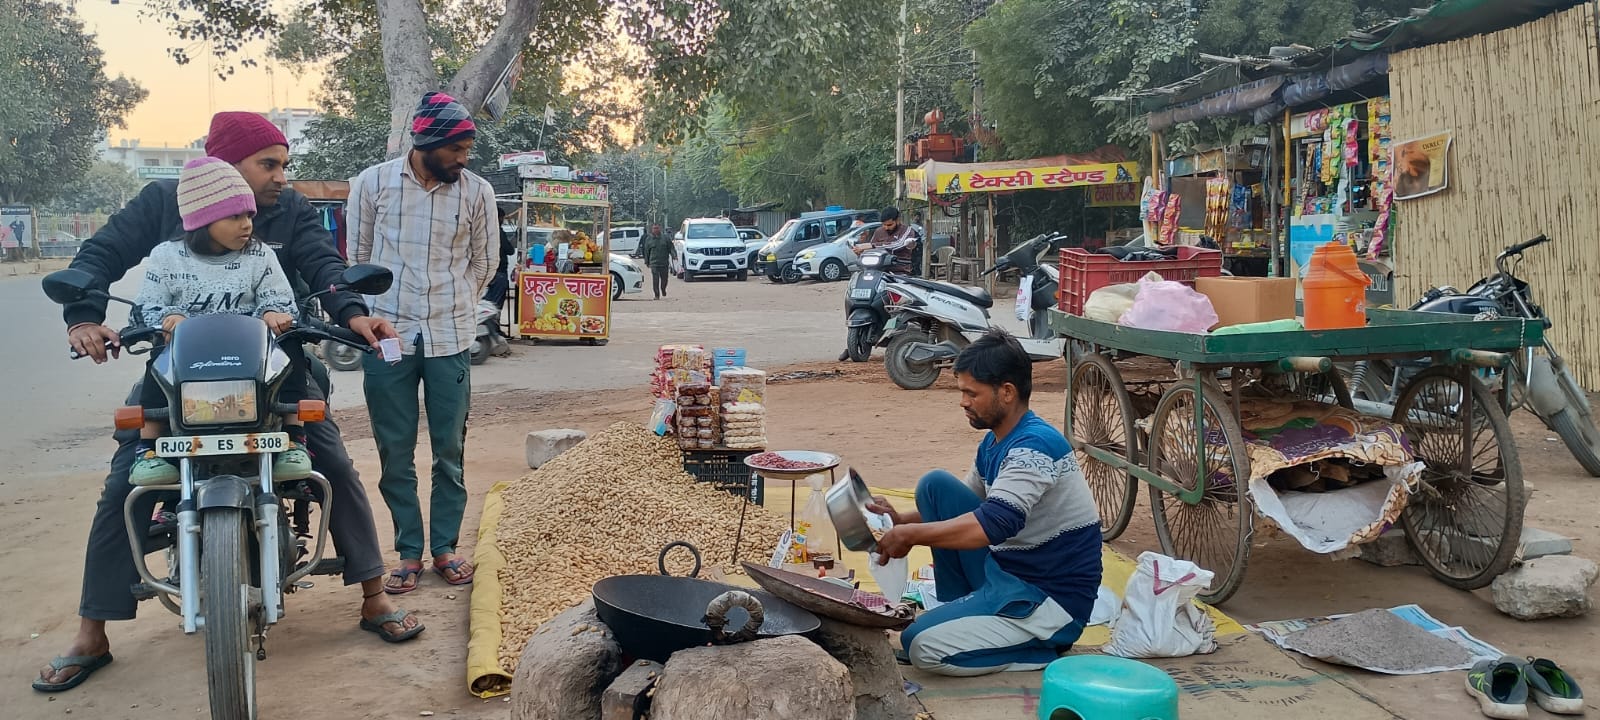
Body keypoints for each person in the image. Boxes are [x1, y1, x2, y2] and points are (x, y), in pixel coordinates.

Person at [37, 111, 422, 695]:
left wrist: (353, 313)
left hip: (272, 369)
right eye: (269, 165)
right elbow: (102, 255)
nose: (279, 178)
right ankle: (92, 631)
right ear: (223, 166)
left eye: (283, 165)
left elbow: (324, 266)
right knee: (125, 481)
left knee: (332, 463)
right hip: (181, 377)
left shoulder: (287, 213)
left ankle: (373, 596)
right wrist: (85, 317)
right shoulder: (162, 201)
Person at [868, 329, 1102, 677]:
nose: (963, 401)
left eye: (970, 393)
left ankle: (1038, 651)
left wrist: (913, 536)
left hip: (1048, 599)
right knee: (936, 487)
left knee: (921, 645)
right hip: (1009, 575)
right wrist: (901, 521)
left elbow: (990, 524)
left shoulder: (1034, 447)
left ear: (1006, 392)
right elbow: (964, 507)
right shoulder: (996, 442)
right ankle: (960, 607)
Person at [349, 91, 495, 594]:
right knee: (395, 449)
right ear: (428, 142)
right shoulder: (372, 184)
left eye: (468, 149)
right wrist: (374, 317)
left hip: (450, 335)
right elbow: (358, 257)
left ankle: (445, 548)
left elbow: (485, 262)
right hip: (387, 337)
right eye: (457, 149)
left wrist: (456, 303)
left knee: (450, 449)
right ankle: (408, 551)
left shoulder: (477, 192)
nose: (464, 159)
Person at [127, 158, 311, 486]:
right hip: (188, 358)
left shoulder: (261, 256)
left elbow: (280, 299)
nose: (247, 225)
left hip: (250, 357)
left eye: (250, 215)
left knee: (290, 348)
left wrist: (273, 313)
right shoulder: (165, 258)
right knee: (158, 360)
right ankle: (148, 448)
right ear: (202, 219)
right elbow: (146, 308)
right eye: (235, 216)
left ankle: (295, 439)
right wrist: (167, 319)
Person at [862, 206, 917, 272]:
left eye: (889, 225)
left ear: (897, 220)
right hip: (879, 271)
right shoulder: (878, 231)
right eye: (883, 225)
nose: (886, 228)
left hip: (900, 271)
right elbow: (871, 251)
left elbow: (899, 244)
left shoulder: (907, 231)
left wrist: (873, 245)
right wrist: (861, 251)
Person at [640, 223, 673, 299]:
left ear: (660, 228)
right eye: (654, 228)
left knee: (664, 279)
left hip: (664, 263)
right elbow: (646, 251)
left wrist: (674, 256)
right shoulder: (649, 239)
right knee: (655, 279)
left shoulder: (665, 238)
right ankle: (656, 295)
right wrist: (647, 261)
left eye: (657, 228)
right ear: (652, 229)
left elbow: (671, 248)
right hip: (654, 263)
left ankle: (663, 289)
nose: (655, 230)